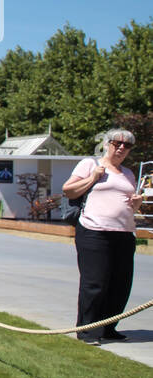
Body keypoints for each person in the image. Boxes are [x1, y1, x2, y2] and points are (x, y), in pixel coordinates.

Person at [62, 129, 140, 344]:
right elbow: (68, 190)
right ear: (107, 144)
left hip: (124, 233)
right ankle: (87, 330)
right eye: (117, 143)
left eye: (127, 145)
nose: (122, 148)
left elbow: (126, 205)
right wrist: (93, 177)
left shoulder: (128, 173)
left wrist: (136, 205)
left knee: (120, 285)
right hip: (94, 231)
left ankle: (108, 327)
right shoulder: (90, 164)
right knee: (95, 283)